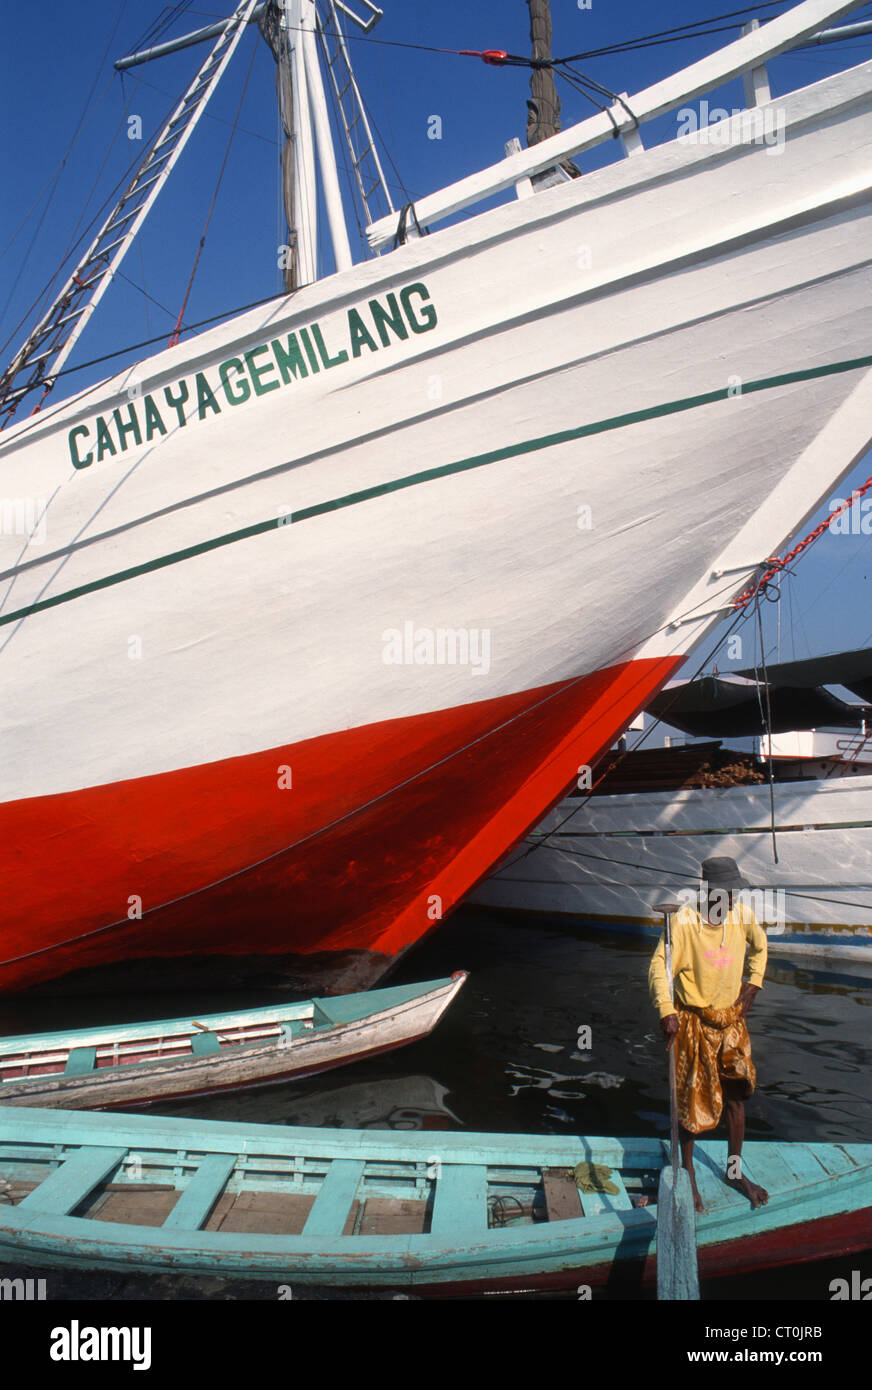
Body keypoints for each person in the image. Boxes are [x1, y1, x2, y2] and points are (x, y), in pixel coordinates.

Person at [648, 856, 769, 1212]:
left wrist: (753, 983)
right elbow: (659, 965)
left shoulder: (742, 916)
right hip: (696, 1022)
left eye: (734, 893)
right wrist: (667, 1010)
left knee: (736, 1099)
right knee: (692, 1107)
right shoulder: (684, 923)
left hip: (731, 1022)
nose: (731, 900)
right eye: (725, 893)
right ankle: (688, 1175)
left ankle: (734, 1171)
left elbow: (760, 949)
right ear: (708, 891)